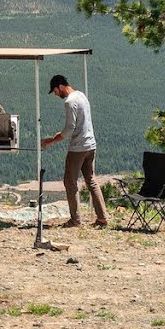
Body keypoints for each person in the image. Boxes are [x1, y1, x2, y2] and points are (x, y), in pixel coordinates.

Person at [41, 74, 109, 228]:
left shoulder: (70, 101)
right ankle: (102, 217)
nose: (56, 94)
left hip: (78, 147)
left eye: (55, 91)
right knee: (91, 180)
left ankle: (75, 220)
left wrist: (51, 140)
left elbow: (69, 128)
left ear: (60, 86)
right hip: (91, 145)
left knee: (70, 181)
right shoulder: (81, 95)